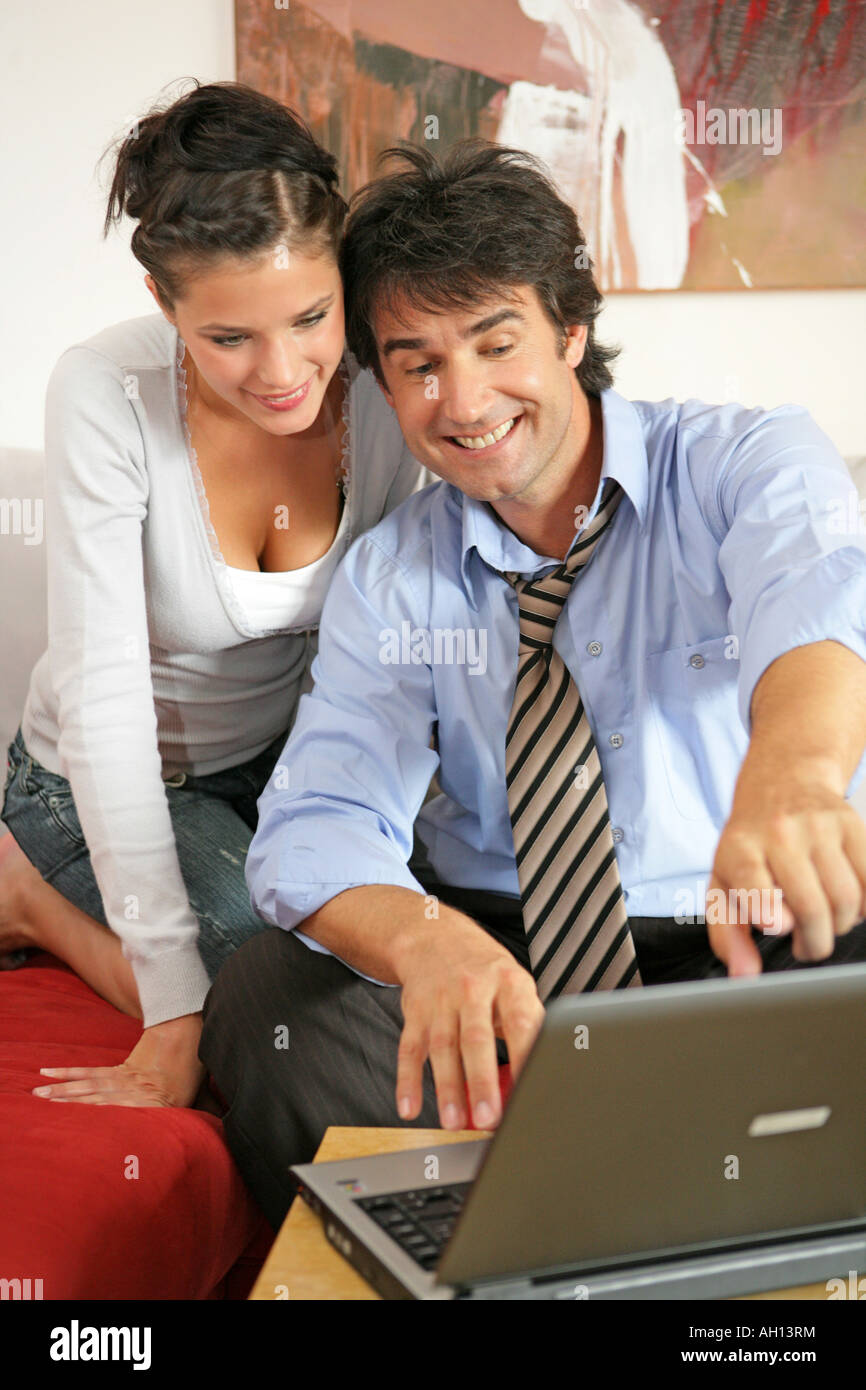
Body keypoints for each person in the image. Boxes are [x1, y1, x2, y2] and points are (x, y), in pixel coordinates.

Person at [197, 138, 866, 1231]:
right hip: (496, 949)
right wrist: (420, 937)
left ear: (568, 328)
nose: (460, 401)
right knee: (269, 996)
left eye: (492, 342)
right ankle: (478, 1252)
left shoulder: (745, 463)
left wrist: (790, 779)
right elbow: (316, 821)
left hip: (749, 914)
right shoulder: (392, 572)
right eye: (414, 363)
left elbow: (817, 609)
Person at [0, 82, 428, 1109]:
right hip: (109, 778)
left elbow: (389, 633)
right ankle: (31, 896)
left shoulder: (376, 384)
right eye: (228, 338)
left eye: (311, 317)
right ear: (165, 306)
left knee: (401, 960)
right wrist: (171, 1006)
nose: (286, 373)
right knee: (275, 1005)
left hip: (286, 761)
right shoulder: (105, 393)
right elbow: (104, 710)